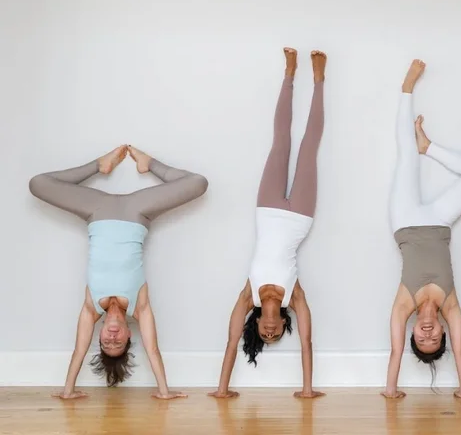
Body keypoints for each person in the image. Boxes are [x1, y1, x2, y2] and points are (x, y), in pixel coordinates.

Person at [29, 146, 208, 399]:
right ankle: (149, 163)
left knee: (37, 184)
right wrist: (164, 392)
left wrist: (68, 392)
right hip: (137, 212)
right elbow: (153, 350)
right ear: (127, 336)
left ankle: (99, 165)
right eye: (118, 343)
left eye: (106, 343)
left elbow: (78, 351)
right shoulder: (140, 307)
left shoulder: (91, 308)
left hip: (96, 211)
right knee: (198, 183)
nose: (112, 338)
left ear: (99, 335)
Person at [210, 48, 326, 400]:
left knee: (281, 142)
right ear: (282, 325)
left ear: (257, 323)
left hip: (267, 208)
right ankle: (319, 80)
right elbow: (306, 341)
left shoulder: (249, 295)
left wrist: (221, 390)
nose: (272, 332)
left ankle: (289, 74)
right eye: (276, 336)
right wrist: (307, 390)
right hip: (300, 217)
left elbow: (232, 343)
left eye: (265, 334)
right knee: (309, 146)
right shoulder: (295, 298)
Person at [382, 59, 461, 400]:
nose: (427, 334)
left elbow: (395, 352)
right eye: (434, 340)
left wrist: (391, 391)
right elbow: (460, 353)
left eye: (421, 339)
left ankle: (406, 89)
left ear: (413, 332)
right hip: (440, 224)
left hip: (405, 221)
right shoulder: (452, 306)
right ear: (444, 331)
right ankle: (429, 147)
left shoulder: (403, 305)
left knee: (406, 158)